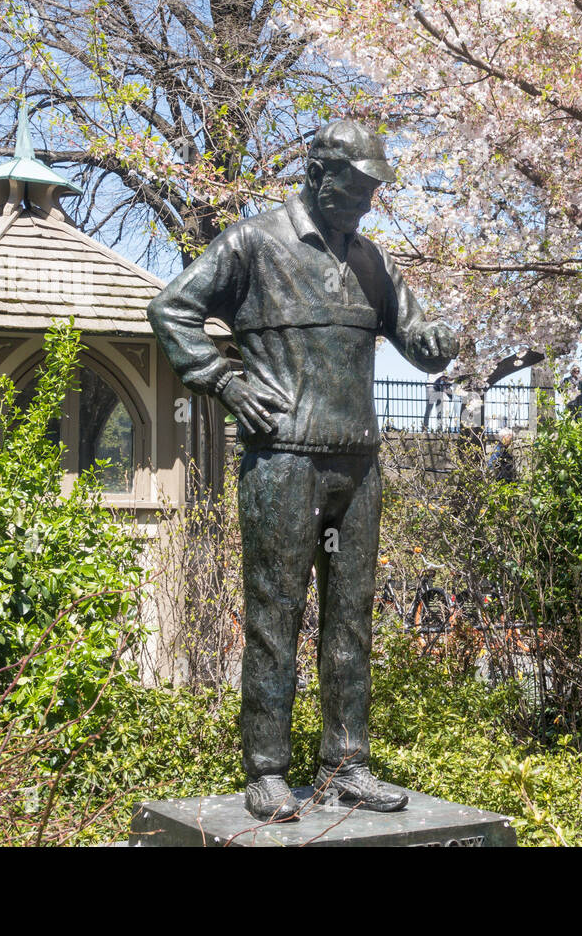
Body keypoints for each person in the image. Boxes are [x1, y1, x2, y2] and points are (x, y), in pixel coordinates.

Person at [148, 119, 459, 821]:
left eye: (374, 193)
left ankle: (347, 763)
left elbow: (416, 340)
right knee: (275, 617)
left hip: (357, 466)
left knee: (351, 619)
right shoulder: (253, 244)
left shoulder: (374, 262)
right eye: (357, 192)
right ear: (320, 178)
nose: (368, 206)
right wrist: (225, 381)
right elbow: (171, 309)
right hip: (282, 461)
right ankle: (266, 769)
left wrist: (437, 342)